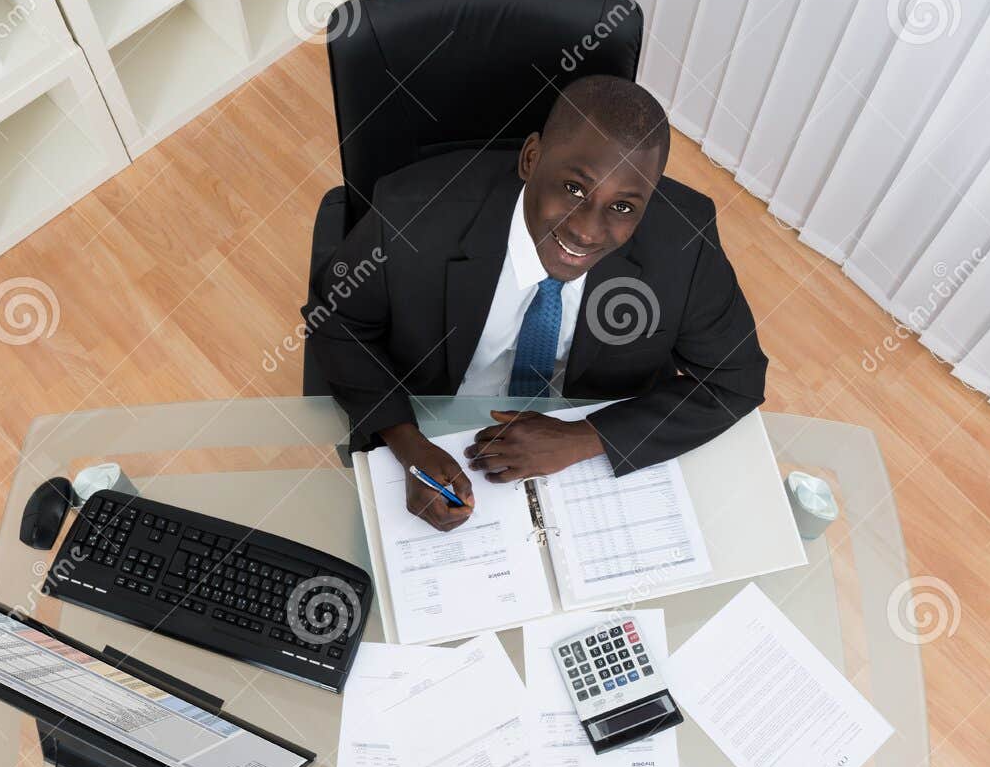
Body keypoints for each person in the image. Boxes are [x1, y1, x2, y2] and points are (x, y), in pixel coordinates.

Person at [307, 74, 766, 531]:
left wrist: (585, 438)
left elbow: (736, 380)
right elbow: (336, 324)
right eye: (573, 188)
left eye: (623, 207)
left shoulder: (685, 244)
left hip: (581, 462)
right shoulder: (411, 215)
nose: (586, 230)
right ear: (531, 159)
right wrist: (408, 446)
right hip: (434, 426)